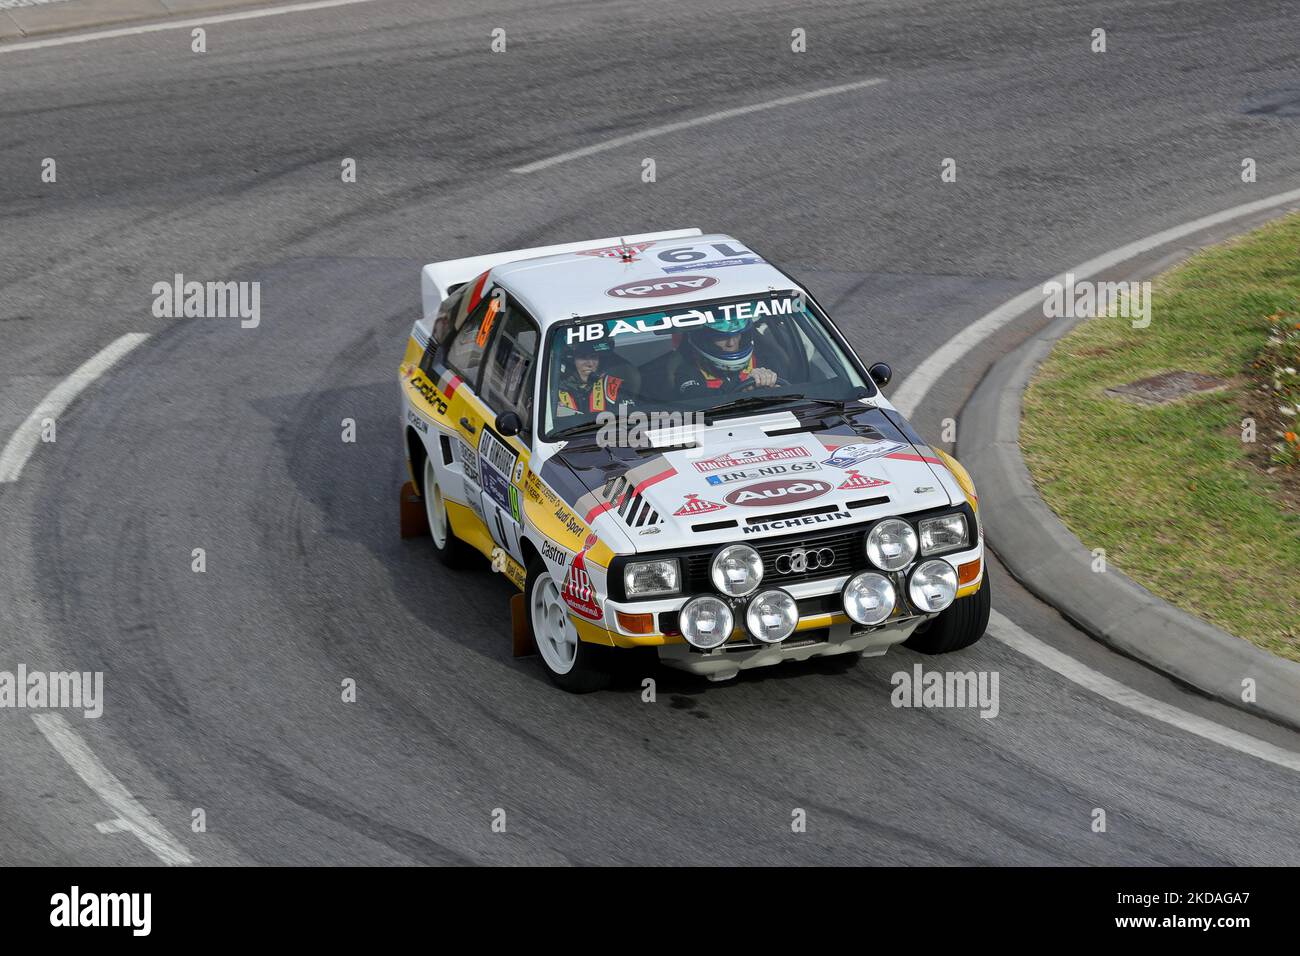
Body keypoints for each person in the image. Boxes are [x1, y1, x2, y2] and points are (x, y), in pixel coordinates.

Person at [671, 315, 783, 396]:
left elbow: (792, 385)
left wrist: (771, 383)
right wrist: (743, 388)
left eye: (736, 334)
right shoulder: (688, 369)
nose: (731, 343)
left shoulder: (762, 358)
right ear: (705, 340)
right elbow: (697, 399)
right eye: (721, 337)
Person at [555, 341, 627, 417]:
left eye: (593, 357)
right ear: (572, 361)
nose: (589, 363)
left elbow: (627, 420)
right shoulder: (554, 391)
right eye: (583, 357)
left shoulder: (616, 386)